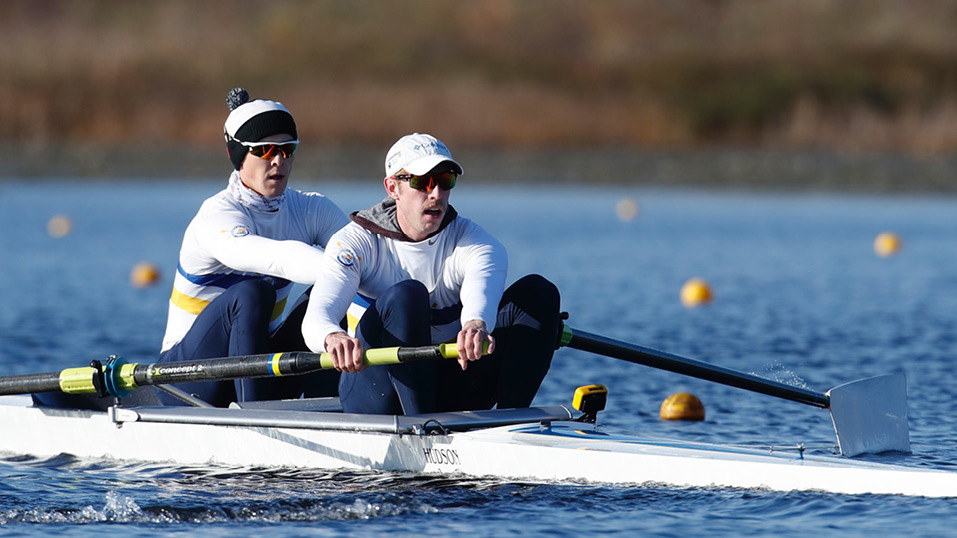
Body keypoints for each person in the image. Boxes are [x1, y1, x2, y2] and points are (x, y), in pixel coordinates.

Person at [302, 133, 561, 415]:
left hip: (453, 385)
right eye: (422, 182)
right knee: (408, 293)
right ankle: (422, 425)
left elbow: (481, 296)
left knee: (538, 293)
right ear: (393, 187)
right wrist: (333, 337)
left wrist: (476, 325)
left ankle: (514, 420)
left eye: (445, 180)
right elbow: (317, 317)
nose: (436, 194)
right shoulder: (354, 242)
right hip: (376, 390)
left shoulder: (476, 244)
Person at [155, 87, 349, 407]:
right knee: (252, 292)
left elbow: (365, 257)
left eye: (287, 149)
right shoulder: (216, 216)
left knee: (337, 294)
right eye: (265, 150)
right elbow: (280, 258)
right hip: (185, 379)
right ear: (237, 155)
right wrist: (346, 270)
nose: (278, 160)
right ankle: (256, 415)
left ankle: (331, 409)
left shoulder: (311, 208)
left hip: (258, 368)